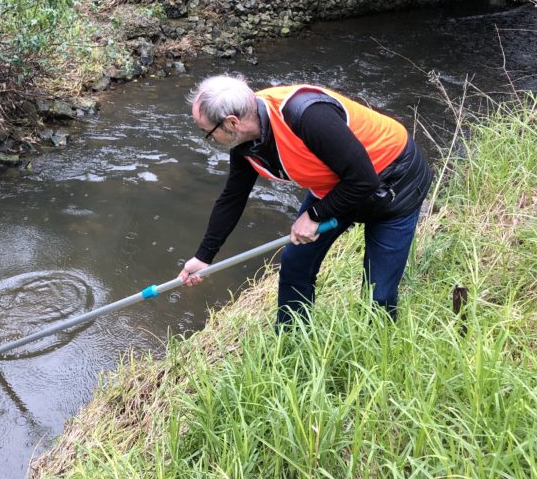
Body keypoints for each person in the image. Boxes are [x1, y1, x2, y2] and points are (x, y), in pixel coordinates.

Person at [179, 74, 433, 324]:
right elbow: (233, 198)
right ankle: (291, 341)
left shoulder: (306, 116)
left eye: (207, 132)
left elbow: (364, 180)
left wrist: (314, 215)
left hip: (395, 182)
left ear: (232, 122)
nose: (209, 139)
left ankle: (380, 353)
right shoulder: (246, 141)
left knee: (378, 293)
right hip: (338, 185)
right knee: (296, 263)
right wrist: (204, 256)